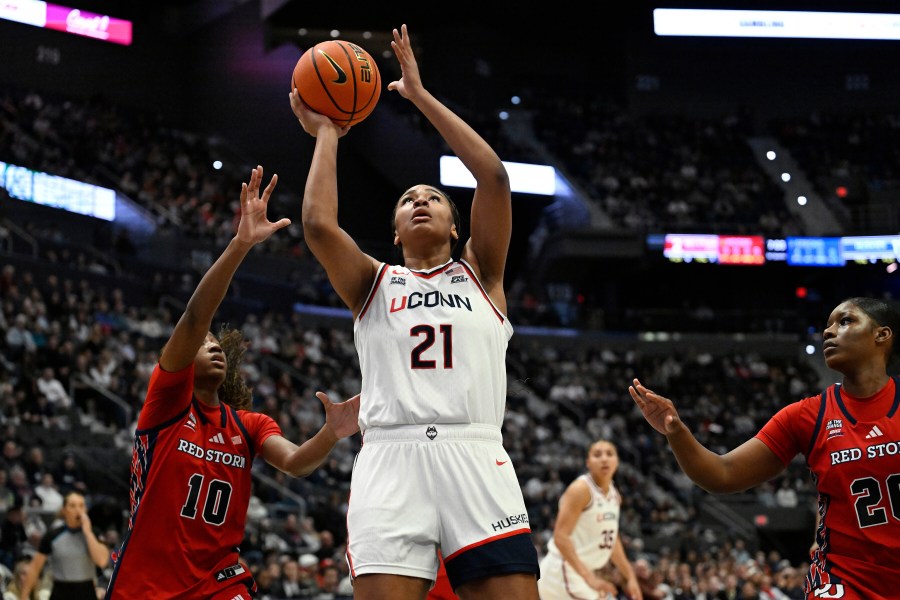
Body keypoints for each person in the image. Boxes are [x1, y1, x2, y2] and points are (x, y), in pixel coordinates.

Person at [290, 23, 540, 600]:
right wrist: (327, 131)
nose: (420, 200)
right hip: (391, 458)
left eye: (433, 197)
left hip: (474, 452)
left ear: (457, 227)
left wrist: (420, 96)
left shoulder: (484, 273)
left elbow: (494, 177)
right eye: (408, 199)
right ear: (395, 230)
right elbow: (318, 225)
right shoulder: (372, 281)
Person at [105, 166, 361, 599]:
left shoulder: (248, 425)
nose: (213, 347)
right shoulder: (166, 404)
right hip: (147, 581)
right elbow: (194, 316)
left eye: (217, 344)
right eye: (204, 344)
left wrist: (331, 432)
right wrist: (240, 244)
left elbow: (297, 463)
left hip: (219, 582)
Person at [629, 296, 900, 600]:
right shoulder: (806, 415)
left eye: (845, 321)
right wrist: (675, 431)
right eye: (827, 325)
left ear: (882, 334)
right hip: (842, 579)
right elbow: (722, 474)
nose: (828, 331)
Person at [538, 440, 642, 600]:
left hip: (579, 574)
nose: (604, 459)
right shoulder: (581, 489)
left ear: (617, 461)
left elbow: (612, 541)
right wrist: (590, 579)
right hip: (562, 573)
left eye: (609, 454)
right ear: (588, 462)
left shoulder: (615, 496)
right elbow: (561, 537)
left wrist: (630, 577)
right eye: (597, 455)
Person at [17, 490, 108, 600]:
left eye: (81, 505)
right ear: (64, 510)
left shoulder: (94, 534)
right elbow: (35, 568)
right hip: (61, 592)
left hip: (86, 592)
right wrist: (24, 595)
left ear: (86, 509)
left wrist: (88, 533)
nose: (77, 510)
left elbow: (102, 561)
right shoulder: (52, 536)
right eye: (72, 506)